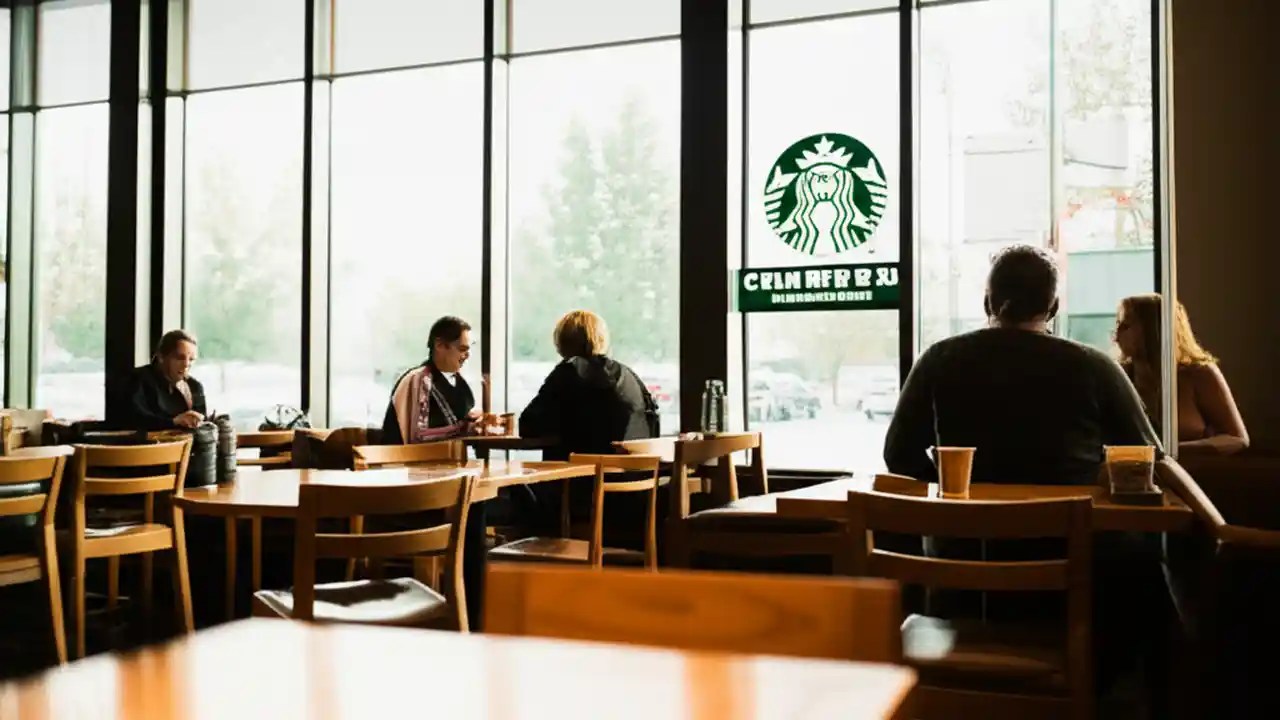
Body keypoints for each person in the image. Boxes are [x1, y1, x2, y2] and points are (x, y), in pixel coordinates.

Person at [884, 244, 1160, 485]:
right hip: (1069, 540)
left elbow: (897, 455)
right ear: (1053, 308)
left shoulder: (938, 360)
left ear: (986, 304)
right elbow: (1148, 459)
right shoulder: (1096, 367)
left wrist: (955, 487)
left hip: (960, 541)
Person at [1116, 293, 1249, 455]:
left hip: (1194, 474)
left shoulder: (1199, 374)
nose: (1117, 332)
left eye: (1127, 324)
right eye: (1118, 323)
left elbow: (1237, 438)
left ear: (1155, 328)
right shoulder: (1118, 375)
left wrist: (1170, 453)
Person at [519, 310, 659, 460]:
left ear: (562, 342)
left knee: (511, 482)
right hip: (638, 478)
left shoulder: (568, 372)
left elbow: (528, 425)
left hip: (581, 479)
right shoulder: (628, 375)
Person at [381, 316, 483, 444]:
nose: (467, 356)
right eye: (462, 349)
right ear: (439, 345)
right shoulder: (419, 379)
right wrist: (464, 428)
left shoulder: (460, 383)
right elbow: (418, 436)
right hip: (406, 461)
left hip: (445, 460)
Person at [116, 329, 207, 431]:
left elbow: (201, 423)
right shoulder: (137, 379)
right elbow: (134, 419)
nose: (186, 364)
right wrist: (174, 422)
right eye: (180, 358)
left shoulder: (194, 386)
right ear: (161, 357)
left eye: (191, 359)